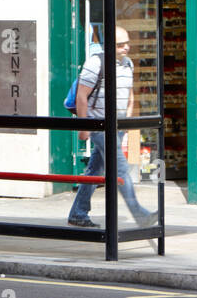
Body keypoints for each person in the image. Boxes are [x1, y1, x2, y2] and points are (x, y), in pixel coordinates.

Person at [67, 28, 158, 229]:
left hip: (117, 126)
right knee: (121, 168)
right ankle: (140, 214)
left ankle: (78, 213)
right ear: (109, 45)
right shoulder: (95, 62)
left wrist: (126, 123)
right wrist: (84, 127)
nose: (126, 47)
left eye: (127, 43)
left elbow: (129, 94)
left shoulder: (128, 64)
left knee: (94, 170)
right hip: (99, 125)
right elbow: (82, 96)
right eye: (120, 44)